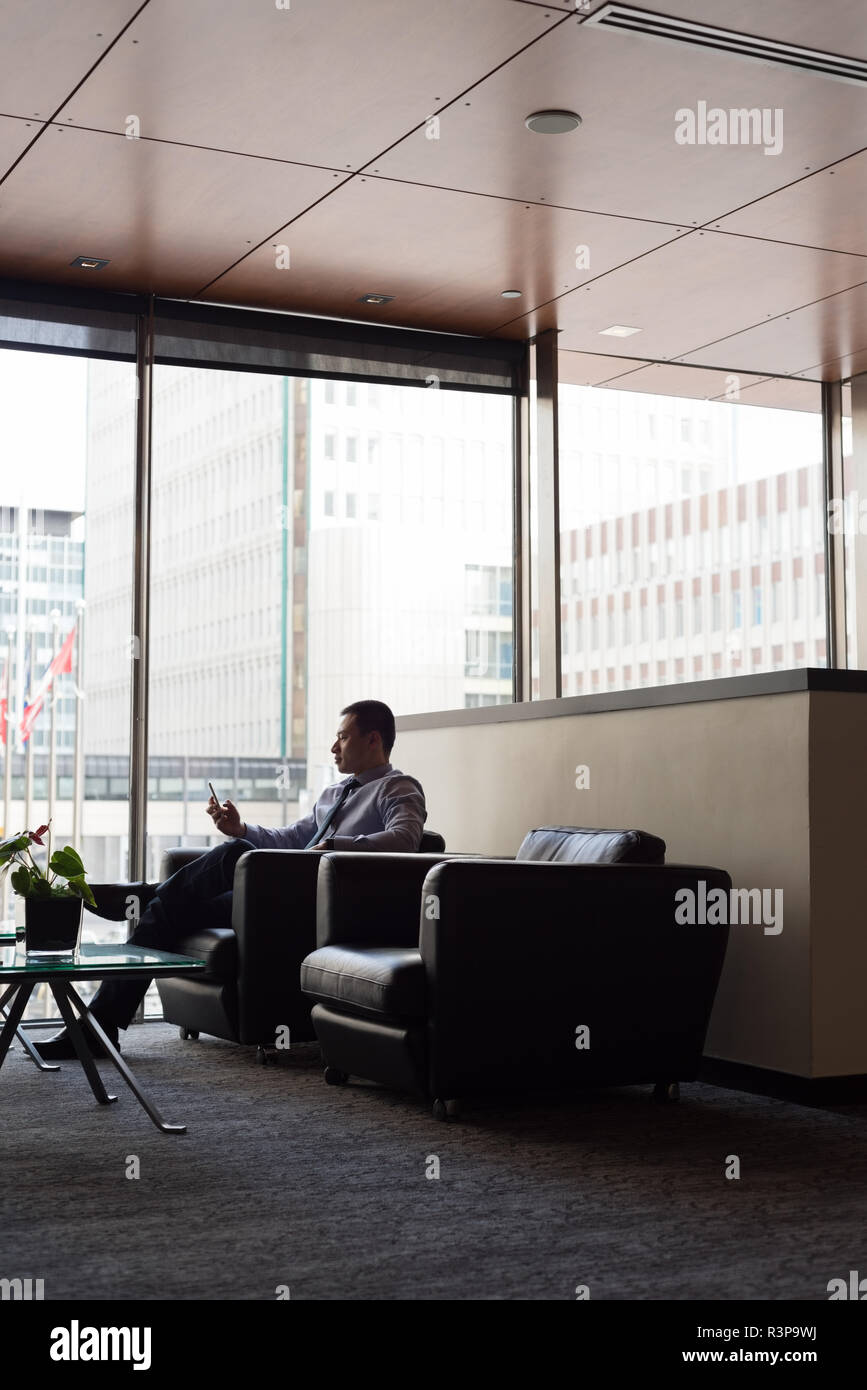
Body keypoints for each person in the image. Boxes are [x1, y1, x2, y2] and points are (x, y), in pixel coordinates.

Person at [37, 700, 425, 1059]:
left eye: (342, 737)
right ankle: (100, 1028)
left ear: (373, 740)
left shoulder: (398, 787)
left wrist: (335, 847)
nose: (333, 747)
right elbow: (292, 838)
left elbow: (405, 839)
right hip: (272, 893)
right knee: (170, 908)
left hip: (317, 902)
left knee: (233, 854)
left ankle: (138, 895)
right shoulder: (333, 793)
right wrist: (241, 828)